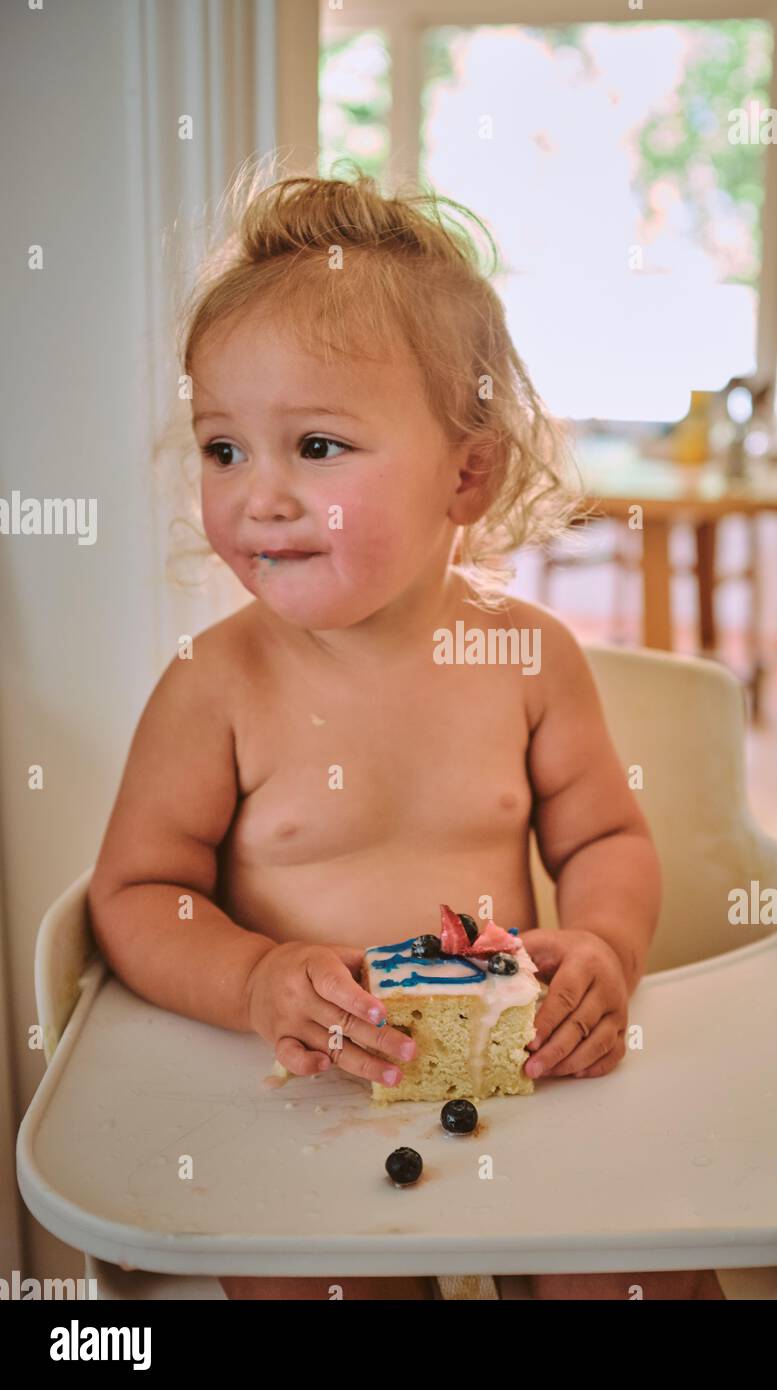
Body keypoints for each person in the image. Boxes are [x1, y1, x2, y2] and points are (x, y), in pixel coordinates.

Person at [88, 167, 724, 1302]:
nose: (256, 497)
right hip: (306, 1098)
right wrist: (253, 980)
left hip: (516, 1073)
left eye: (316, 447)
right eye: (223, 447)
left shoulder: (527, 657)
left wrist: (603, 950)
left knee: (648, 1269)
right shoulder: (212, 687)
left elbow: (603, 841)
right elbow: (138, 893)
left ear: (466, 473)